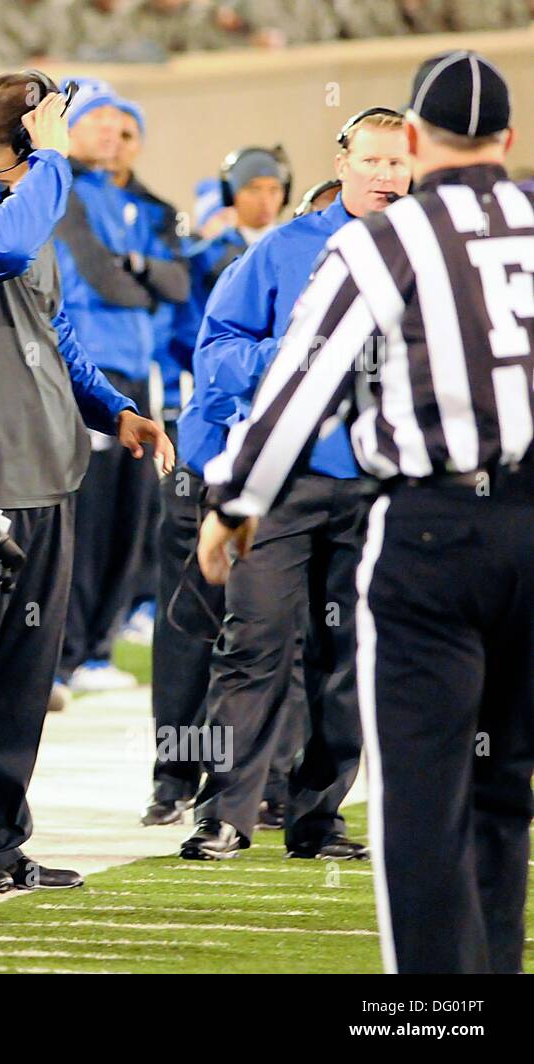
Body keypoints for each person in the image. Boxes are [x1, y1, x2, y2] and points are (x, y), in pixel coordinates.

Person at [199, 49, 533, 974]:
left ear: (417, 141)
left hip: (431, 530)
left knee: (422, 801)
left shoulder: (386, 241)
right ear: (508, 140)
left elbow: (302, 382)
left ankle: (436, 1015)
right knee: (505, 787)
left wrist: (236, 499)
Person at [0, 71, 173, 896]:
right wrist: (49, 160)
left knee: (21, 679)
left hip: (50, 477)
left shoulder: (29, 205)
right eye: (53, 128)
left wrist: (114, 408)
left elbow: (54, 329)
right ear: (27, 133)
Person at [179, 106, 411, 862]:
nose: (384, 175)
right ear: (342, 162)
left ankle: (317, 818)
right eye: (371, 161)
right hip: (282, 479)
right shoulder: (283, 249)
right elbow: (216, 349)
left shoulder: (430, 254)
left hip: (381, 486)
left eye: (397, 162)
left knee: (349, 657)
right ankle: (224, 812)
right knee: (255, 642)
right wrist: (297, 364)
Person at [142, 148, 291, 826]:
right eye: (252, 186)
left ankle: (269, 783)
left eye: (273, 186)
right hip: (208, 454)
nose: (264, 197)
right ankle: (175, 775)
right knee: (189, 623)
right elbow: (193, 338)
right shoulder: (220, 256)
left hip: (283, 464)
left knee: (272, 631)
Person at [53, 83, 188, 695]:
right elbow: (103, 279)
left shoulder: (145, 204)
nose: (109, 132)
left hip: (136, 374)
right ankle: (65, 650)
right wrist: (143, 279)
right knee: (85, 513)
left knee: (129, 516)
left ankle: (97, 651)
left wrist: (140, 275)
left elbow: (180, 284)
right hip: (87, 373)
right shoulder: (63, 192)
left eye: (120, 121)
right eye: (96, 120)